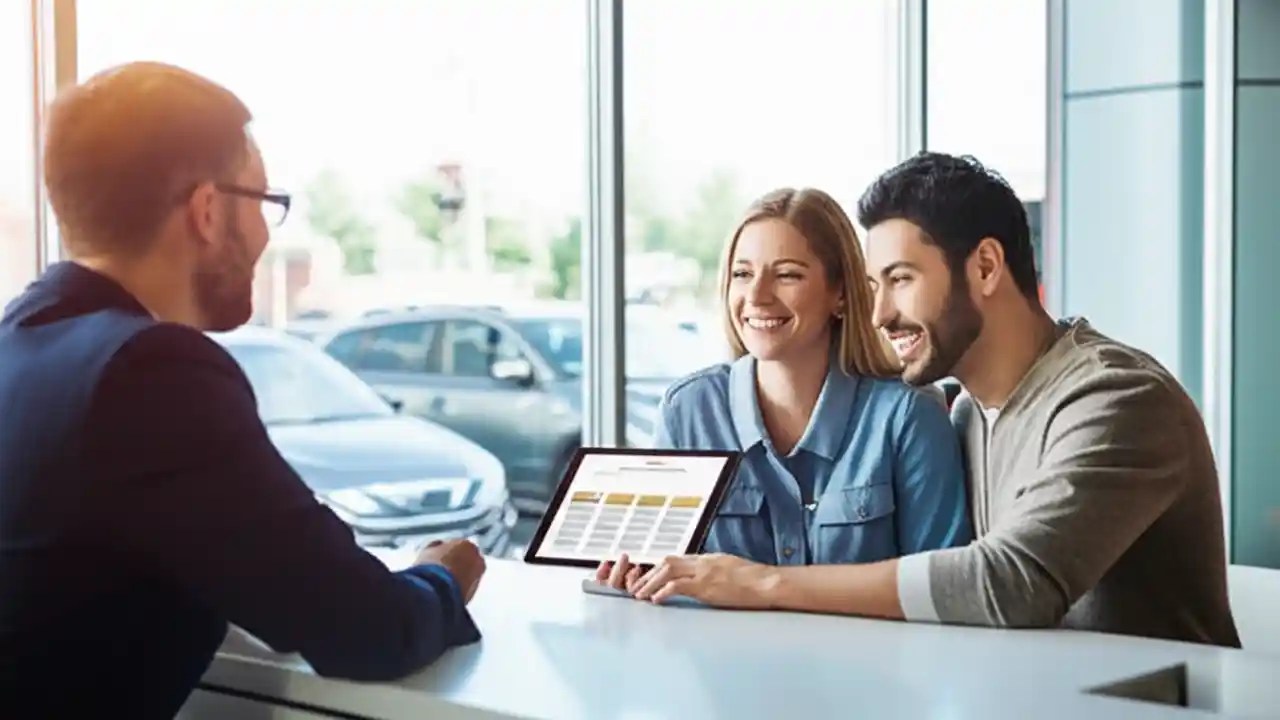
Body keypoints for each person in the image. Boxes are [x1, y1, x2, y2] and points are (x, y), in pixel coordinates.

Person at [0, 62, 487, 718]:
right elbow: (370, 630)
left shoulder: (19, 343)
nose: (264, 233)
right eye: (263, 201)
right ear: (206, 211)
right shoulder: (149, 371)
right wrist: (445, 574)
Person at [623, 153, 1241, 649]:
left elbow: (1010, 583)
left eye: (901, 280)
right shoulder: (971, 411)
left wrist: (762, 583)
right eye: (873, 285)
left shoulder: (1116, 399)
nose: (881, 312)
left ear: (987, 267)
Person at [597, 187, 972, 591]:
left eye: (787, 275)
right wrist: (632, 578)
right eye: (742, 274)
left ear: (842, 293)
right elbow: (659, 575)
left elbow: (942, 590)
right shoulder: (688, 410)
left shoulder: (909, 416)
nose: (756, 296)